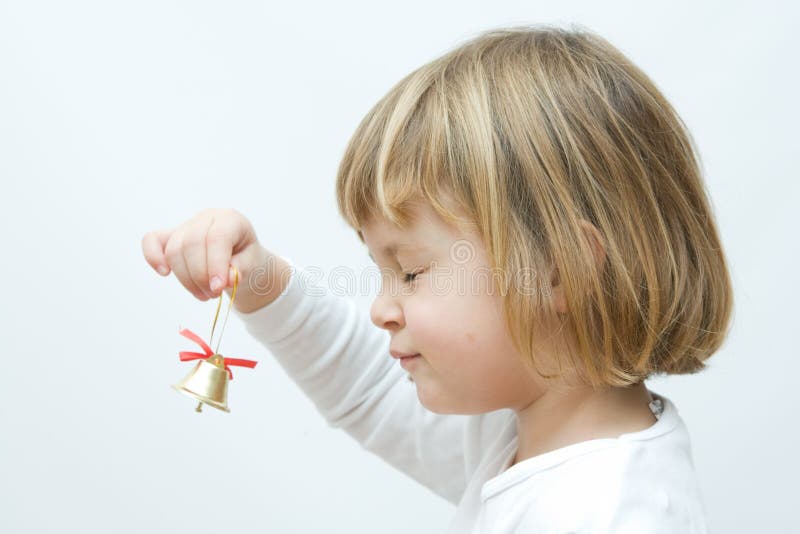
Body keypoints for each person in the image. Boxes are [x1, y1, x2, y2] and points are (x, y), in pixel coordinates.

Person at [142, 24, 733, 533]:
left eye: (412, 272)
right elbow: (369, 392)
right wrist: (262, 282)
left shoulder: (610, 513)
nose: (381, 309)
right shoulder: (522, 435)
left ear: (560, 270)